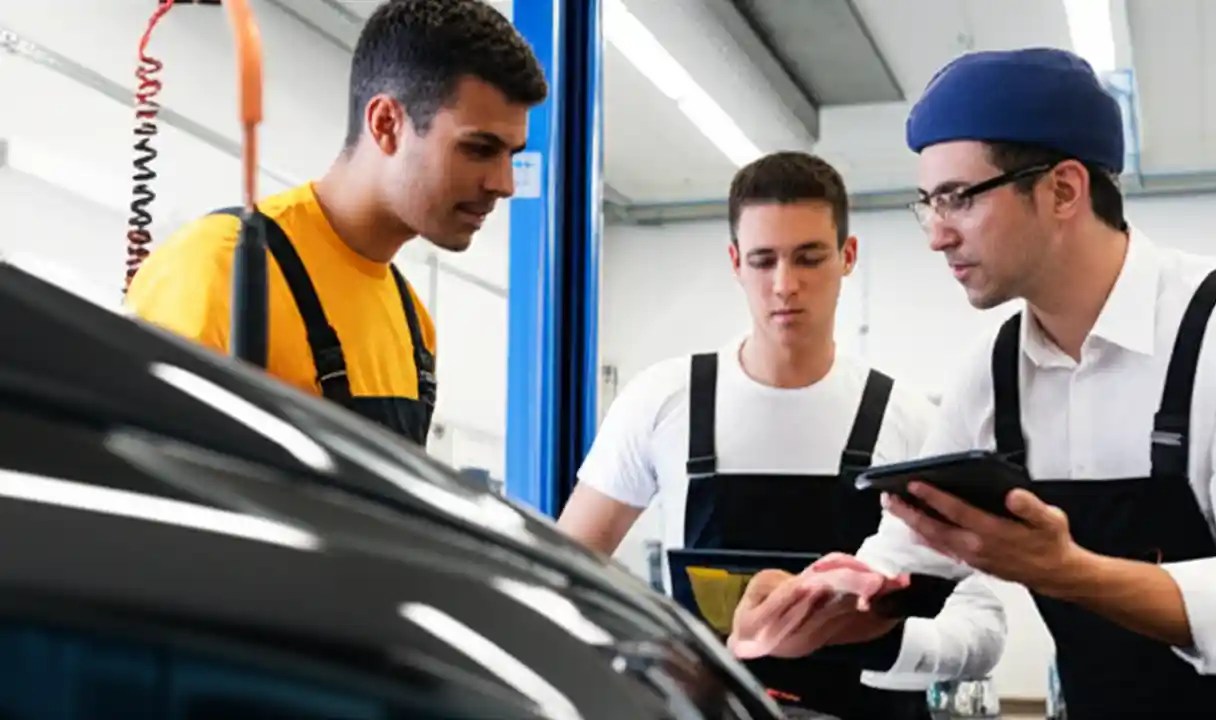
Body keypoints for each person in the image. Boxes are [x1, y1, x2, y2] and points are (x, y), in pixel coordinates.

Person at [729, 48, 1216, 719]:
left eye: (958, 198)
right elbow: (909, 561)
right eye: (928, 203)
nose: (937, 235)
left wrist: (1066, 570)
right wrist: (822, 601)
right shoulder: (992, 371)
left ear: (1063, 190)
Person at [557, 151, 1006, 719]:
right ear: (735, 262)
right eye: (763, 260)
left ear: (848, 257)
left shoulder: (912, 419)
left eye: (809, 258)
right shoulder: (664, 402)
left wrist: (870, 637)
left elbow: (983, 623)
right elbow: (565, 573)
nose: (784, 285)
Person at [125, 0, 547, 447]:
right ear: (387, 124)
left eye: (511, 155)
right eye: (480, 148)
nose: (504, 184)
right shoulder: (219, 270)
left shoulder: (413, 324)